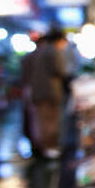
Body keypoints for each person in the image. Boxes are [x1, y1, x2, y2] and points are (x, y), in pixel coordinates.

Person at [29, 29, 70, 159]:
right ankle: (49, 148)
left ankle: (46, 148)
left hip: (42, 92)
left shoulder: (45, 50)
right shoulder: (53, 51)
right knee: (49, 121)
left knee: (44, 120)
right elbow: (60, 70)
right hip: (49, 92)